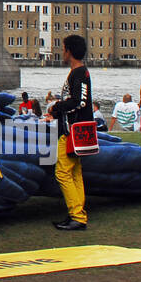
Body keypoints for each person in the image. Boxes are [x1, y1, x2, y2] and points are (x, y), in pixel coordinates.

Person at [47, 34, 91, 231]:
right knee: (75, 172)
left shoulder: (78, 73)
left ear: (69, 51)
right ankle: (77, 213)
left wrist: (56, 107)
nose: (62, 52)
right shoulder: (81, 72)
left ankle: (77, 216)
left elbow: (78, 102)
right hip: (77, 129)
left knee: (62, 172)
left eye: (63, 48)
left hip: (72, 130)